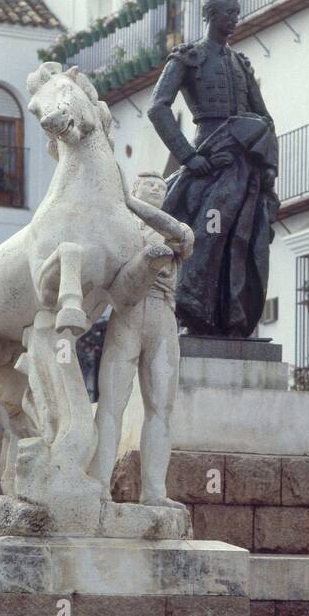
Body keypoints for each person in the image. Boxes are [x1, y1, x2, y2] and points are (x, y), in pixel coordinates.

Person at [146, 0, 279, 338]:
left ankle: (234, 315)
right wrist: (190, 157)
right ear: (211, 16)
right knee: (208, 235)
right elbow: (157, 107)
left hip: (243, 163)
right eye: (229, 13)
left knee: (246, 239)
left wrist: (269, 166)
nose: (235, 19)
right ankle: (196, 311)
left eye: (237, 12)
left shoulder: (241, 63)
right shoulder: (188, 58)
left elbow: (264, 117)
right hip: (209, 156)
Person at [92, 172, 193, 507]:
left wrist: (127, 200)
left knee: (161, 408)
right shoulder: (117, 227)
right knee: (111, 404)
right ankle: (98, 488)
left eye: (162, 186)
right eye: (148, 185)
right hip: (127, 314)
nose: (156, 188)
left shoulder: (176, 228)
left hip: (164, 316)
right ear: (134, 188)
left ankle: (154, 492)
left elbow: (177, 234)